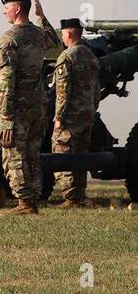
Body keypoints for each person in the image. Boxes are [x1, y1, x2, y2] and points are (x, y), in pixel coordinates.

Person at [0, 0, 49, 215]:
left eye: (6, 7)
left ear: (17, 9)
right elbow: (56, 43)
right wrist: (41, 16)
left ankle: (25, 203)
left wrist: (6, 117)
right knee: (32, 155)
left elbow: (6, 81)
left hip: (17, 108)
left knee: (13, 154)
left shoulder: (10, 38)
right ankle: (33, 199)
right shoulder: (39, 35)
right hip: (37, 107)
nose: (3, 11)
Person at [52, 18, 101, 208]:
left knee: (62, 153)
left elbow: (62, 92)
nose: (62, 37)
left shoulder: (67, 56)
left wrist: (58, 117)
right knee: (81, 156)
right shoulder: (90, 56)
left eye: (63, 33)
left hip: (70, 117)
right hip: (87, 115)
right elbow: (96, 89)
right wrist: (91, 110)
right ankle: (79, 195)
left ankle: (71, 198)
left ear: (69, 33)